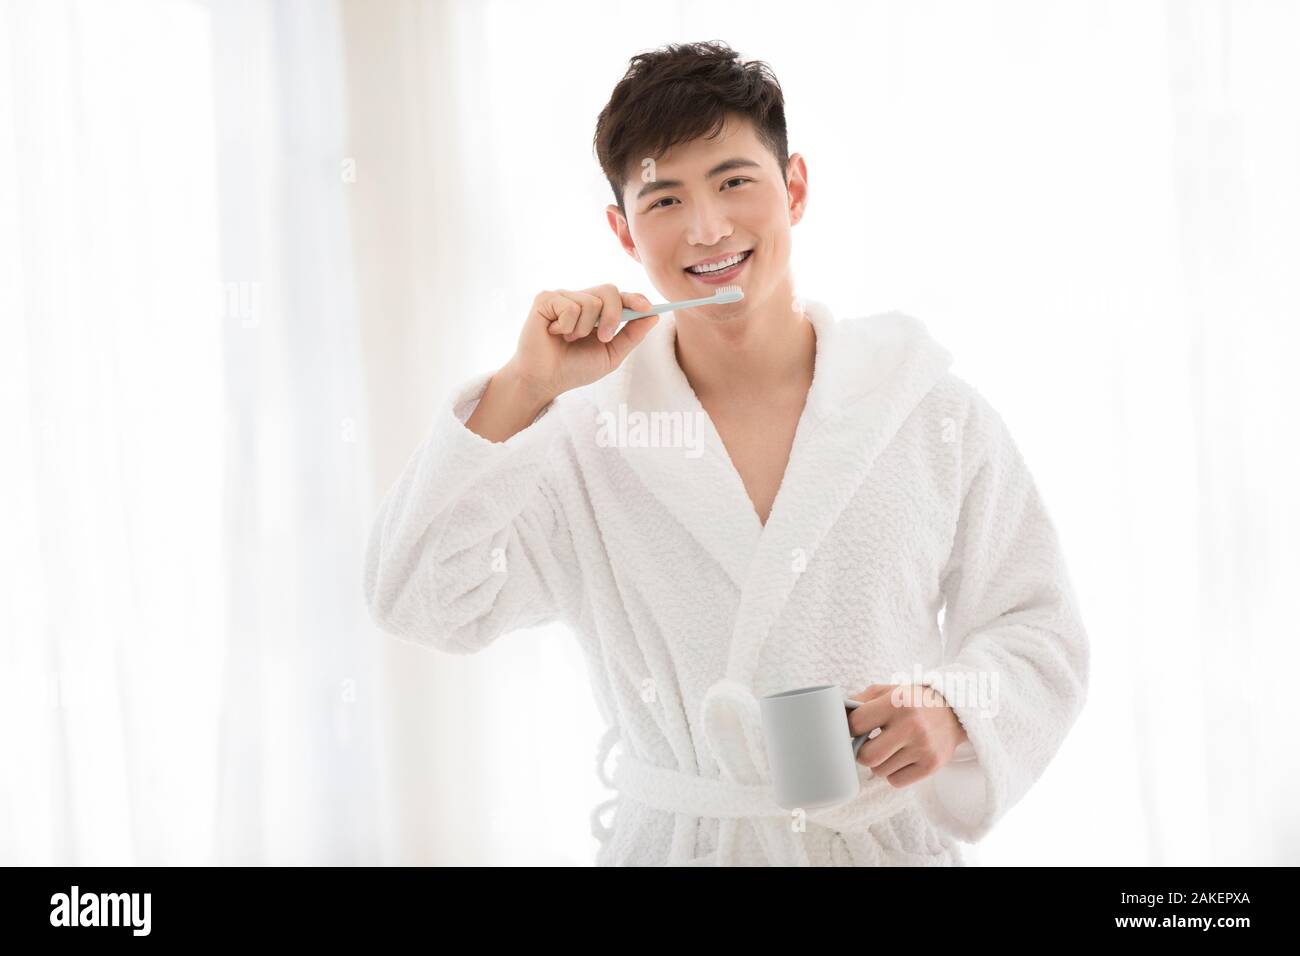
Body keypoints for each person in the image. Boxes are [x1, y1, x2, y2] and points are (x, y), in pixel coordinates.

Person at [363, 40, 1089, 866]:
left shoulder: (925, 413)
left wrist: (954, 707)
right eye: (664, 198)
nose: (707, 228)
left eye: (735, 181)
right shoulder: (584, 436)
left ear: (796, 188)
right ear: (623, 230)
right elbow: (418, 598)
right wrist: (525, 387)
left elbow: (1040, 627)